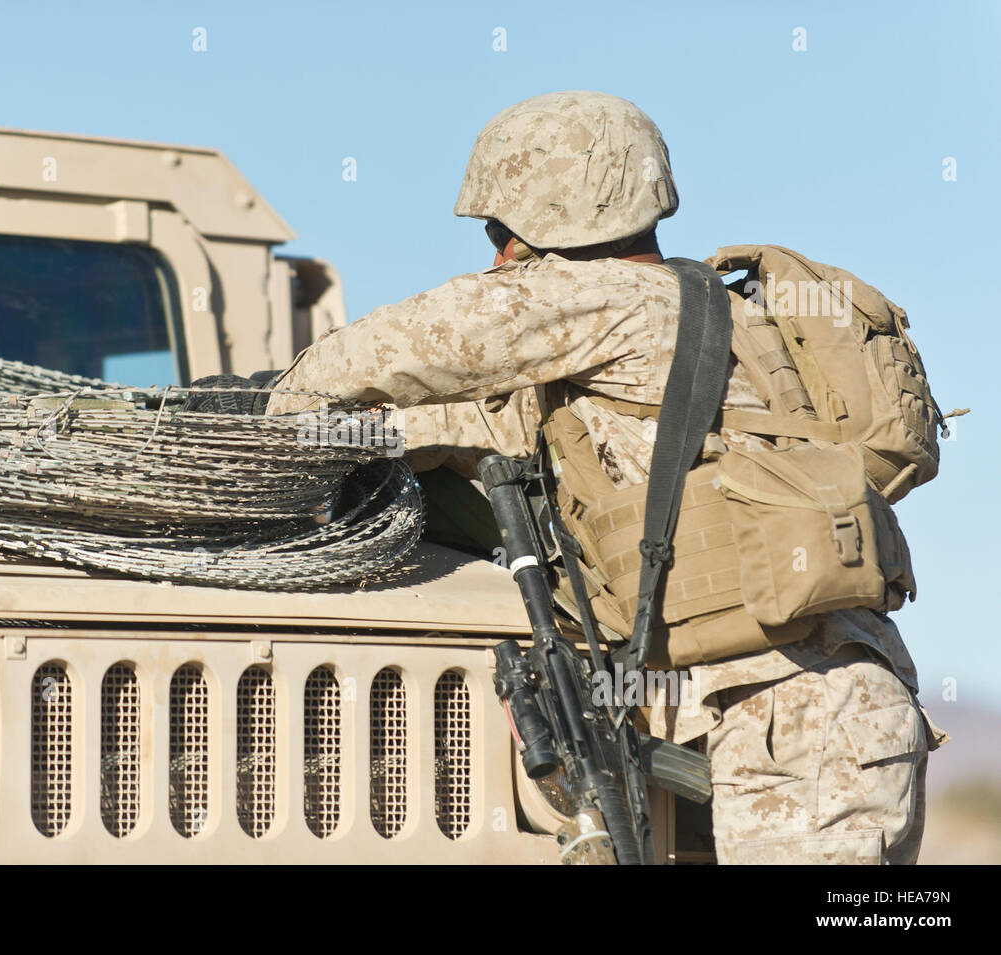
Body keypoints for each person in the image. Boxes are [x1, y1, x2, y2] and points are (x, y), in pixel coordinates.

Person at [265, 91, 946, 864]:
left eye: (501, 234)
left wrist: (268, 414)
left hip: (794, 721)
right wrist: (362, 441)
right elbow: (482, 432)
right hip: (802, 713)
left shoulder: (599, 301)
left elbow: (368, 358)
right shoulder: (679, 329)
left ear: (547, 219)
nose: (496, 259)